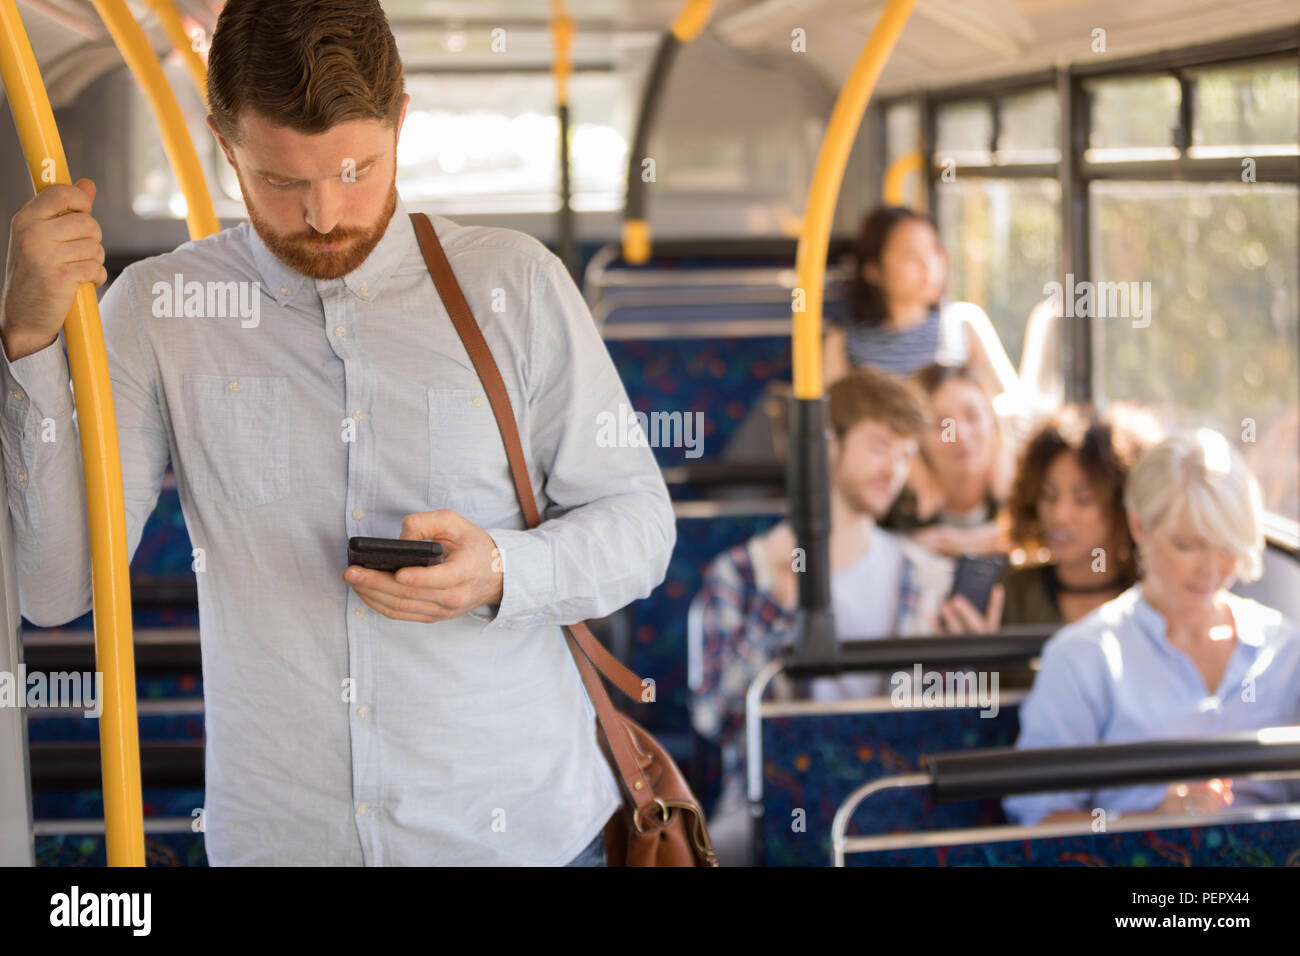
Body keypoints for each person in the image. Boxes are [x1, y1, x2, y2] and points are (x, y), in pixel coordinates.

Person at [0, 0, 674, 866]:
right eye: (283, 181)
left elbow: (641, 528)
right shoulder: (160, 310)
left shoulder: (518, 285)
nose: (324, 214)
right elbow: (53, 591)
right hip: (285, 838)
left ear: (401, 120)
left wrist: (501, 571)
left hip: (519, 831)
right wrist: (28, 343)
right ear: (224, 139)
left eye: (356, 169)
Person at [692, 367, 994, 864]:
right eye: (879, 447)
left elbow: (950, 727)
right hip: (771, 795)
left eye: (905, 453)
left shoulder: (926, 577)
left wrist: (965, 664)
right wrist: (778, 609)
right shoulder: (744, 575)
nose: (894, 469)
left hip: (890, 792)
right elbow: (716, 715)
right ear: (827, 445)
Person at [1003, 429, 1300, 827]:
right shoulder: (1082, 657)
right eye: (1188, 546)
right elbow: (1037, 817)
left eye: (1227, 546)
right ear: (1139, 527)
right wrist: (1145, 819)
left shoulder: (1285, 649)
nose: (1211, 570)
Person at [823, 205, 1019, 410]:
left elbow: (1008, 402)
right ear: (873, 270)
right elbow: (833, 418)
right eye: (912, 256)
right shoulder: (843, 340)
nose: (929, 266)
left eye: (934, 251)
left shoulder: (964, 323)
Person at [995, 404, 1163, 629]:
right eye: (1048, 495)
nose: (1060, 515)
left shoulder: (1154, 595)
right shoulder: (1013, 593)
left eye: (1083, 500)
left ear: (1121, 507)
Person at [883, 363, 1011, 558]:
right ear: (917, 440)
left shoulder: (1026, 490)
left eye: (972, 417)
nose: (960, 435)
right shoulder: (891, 504)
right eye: (942, 425)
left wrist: (961, 543)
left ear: (992, 422)